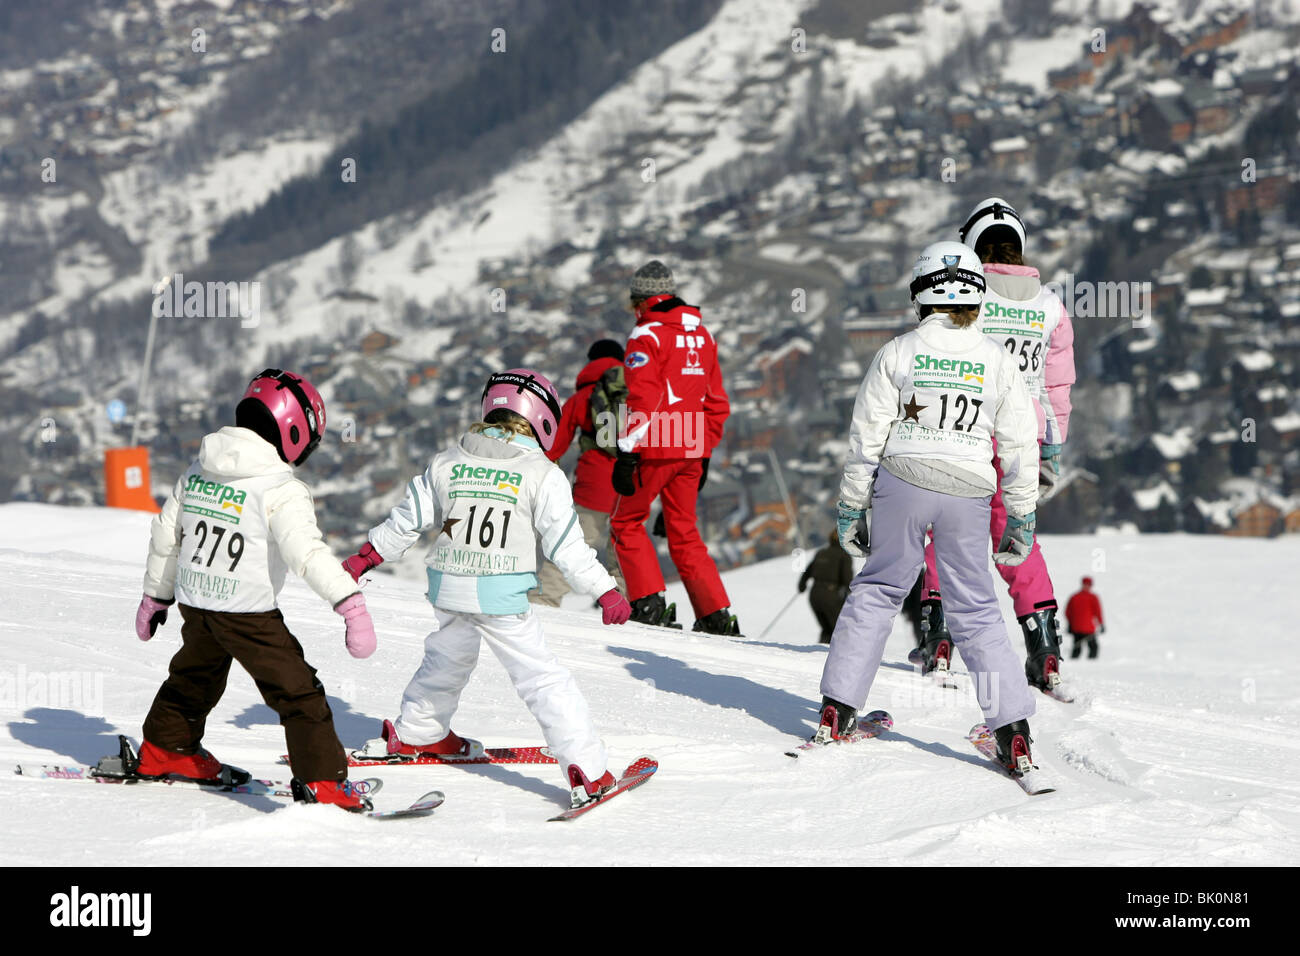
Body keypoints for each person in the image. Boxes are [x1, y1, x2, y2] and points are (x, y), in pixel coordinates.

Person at [339, 369, 634, 808]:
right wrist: (606, 591)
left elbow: (408, 519)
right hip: (501, 595)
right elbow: (567, 547)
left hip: (450, 586)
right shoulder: (542, 473)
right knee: (542, 679)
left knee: (448, 656)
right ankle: (588, 772)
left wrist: (368, 556)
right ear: (544, 419)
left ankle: (420, 733)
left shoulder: (446, 461)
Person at [814, 241, 1043, 773]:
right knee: (977, 610)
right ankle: (1012, 732)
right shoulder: (997, 359)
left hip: (902, 479)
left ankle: (836, 711)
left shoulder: (897, 351)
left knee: (877, 590)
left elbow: (866, 434)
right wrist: (1022, 514)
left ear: (920, 294)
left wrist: (851, 505)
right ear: (977, 299)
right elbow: (1020, 444)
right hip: (969, 489)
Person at [134, 369, 379, 812]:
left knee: (195, 676)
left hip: (197, 603)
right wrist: (350, 603)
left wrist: (156, 595)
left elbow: (167, 534)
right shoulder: (281, 489)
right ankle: (323, 781)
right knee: (299, 693)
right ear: (292, 430)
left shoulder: (198, 469)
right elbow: (308, 554)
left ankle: (168, 749)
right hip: (247, 612)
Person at [915, 197, 1075, 694]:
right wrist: (1053, 446)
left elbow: (933, 360)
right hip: (1022, 437)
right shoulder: (1050, 306)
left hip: (964, 430)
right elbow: (1057, 387)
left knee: (946, 532)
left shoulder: (968, 297)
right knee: (1017, 535)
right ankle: (1043, 646)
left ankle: (939, 638)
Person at [609, 260, 738, 635]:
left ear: (641, 301)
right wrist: (706, 452)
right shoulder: (703, 335)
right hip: (693, 445)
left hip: (657, 445)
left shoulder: (646, 336)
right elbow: (717, 402)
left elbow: (643, 400)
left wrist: (628, 450)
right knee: (684, 531)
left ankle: (648, 603)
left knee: (626, 522)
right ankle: (715, 614)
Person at [528, 339, 628, 607]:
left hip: (594, 482)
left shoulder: (582, 397)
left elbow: (554, 446)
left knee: (572, 544)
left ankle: (544, 600)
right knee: (626, 547)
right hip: (634, 482)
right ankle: (625, 604)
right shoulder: (638, 391)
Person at [799, 530, 853, 644]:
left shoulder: (821, 553)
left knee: (827, 628)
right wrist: (852, 595)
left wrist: (802, 586)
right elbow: (847, 579)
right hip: (831, 596)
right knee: (838, 628)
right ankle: (835, 656)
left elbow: (807, 573)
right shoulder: (844, 555)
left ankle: (820, 651)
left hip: (814, 595)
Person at [1065, 576, 1105, 659]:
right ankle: (1091, 666)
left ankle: (1073, 664)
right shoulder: (1093, 597)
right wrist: (1101, 624)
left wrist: (1070, 624)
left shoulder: (1074, 597)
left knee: (1076, 649)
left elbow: (1067, 612)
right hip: (1088, 629)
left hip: (1076, 628)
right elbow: (1098, 612)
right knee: (1093, 647)